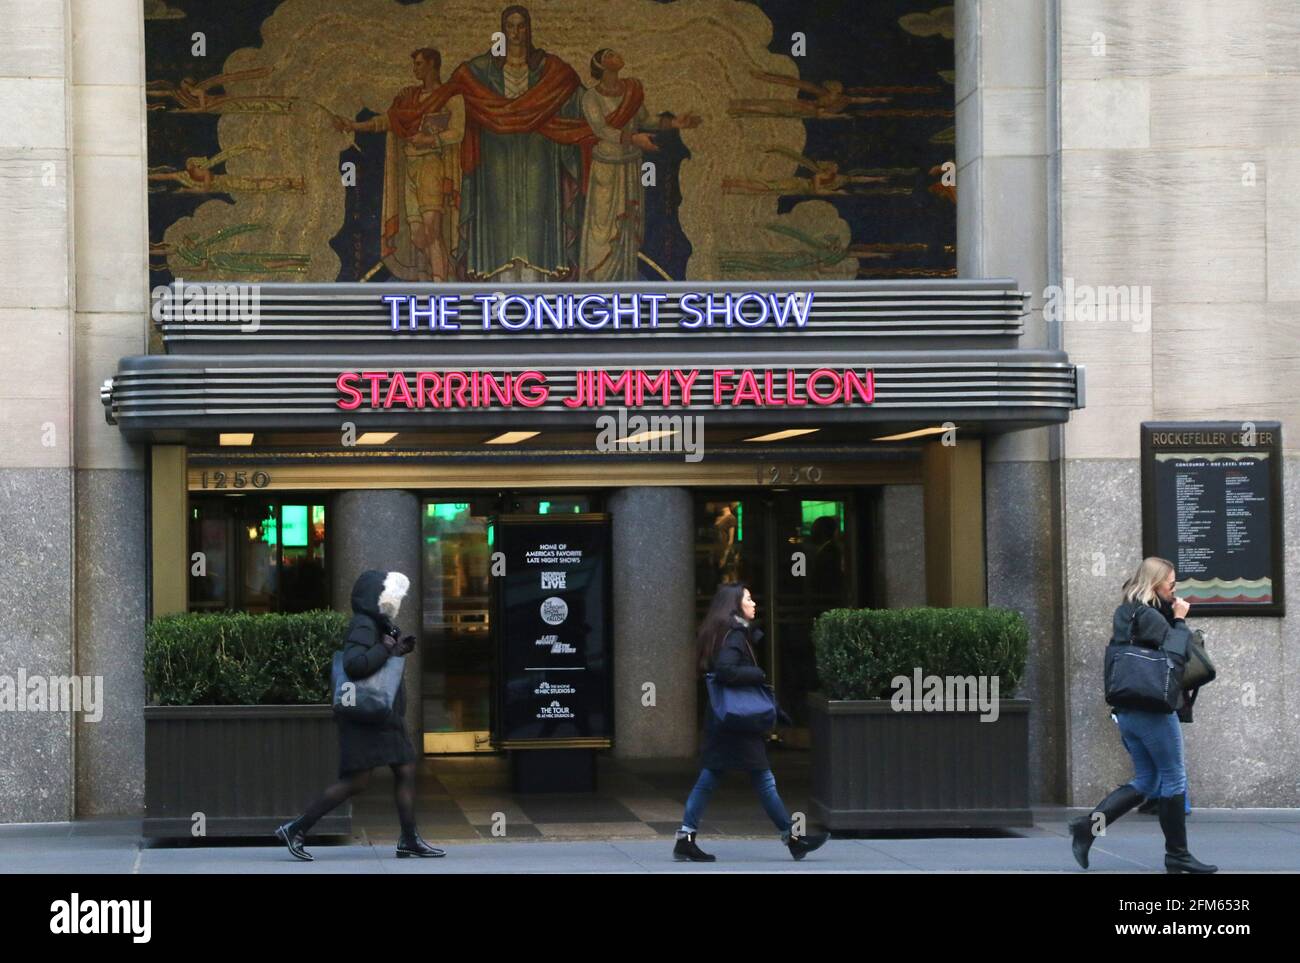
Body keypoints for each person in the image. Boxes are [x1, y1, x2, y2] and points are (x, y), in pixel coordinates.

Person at [275, 569, 444, 860]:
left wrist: (398, 650)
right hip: (366, 718)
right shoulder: (363, 625)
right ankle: (297, 830)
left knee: (404, 769)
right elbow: (354, 665)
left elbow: (378, 660)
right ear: (372, 598)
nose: (392, 601)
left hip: (382, 716)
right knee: (356, 781)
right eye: (386, 595)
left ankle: (409, 839)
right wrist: (384, 649)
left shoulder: (378, 623)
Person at [1069, 557, 1216, 874]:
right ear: (1155, 584)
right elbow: (1178, 656)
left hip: (1128, 712)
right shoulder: (1152, 617)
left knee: (1147, 781)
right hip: (1153, 712)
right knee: (1174, 778)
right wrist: (1178, 619)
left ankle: (1087, 828)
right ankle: (1177, 855)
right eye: (1171, 583)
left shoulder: (1126, 613)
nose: (1174, 589)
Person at [674, 582, 829, 862]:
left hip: (725, 720)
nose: (754, 603)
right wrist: (756, 673)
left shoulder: (725, 632)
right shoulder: (734, 635)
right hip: (736, 725)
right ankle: (792, 838)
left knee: (711, 778)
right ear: (735, 605)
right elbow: (725, 671)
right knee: (762, 779)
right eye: (748, 598)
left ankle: (685, 838)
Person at [334, 48, 465, 281]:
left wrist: (431, 139)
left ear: (433, 65)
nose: (415, 69)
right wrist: (354, 126)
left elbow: (457, 131)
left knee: (432, 230)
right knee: (417, 235)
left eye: (419, 64)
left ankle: (439, 287)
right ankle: (441, 275)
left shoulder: (451, 96)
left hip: (432, 166)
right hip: (411, 167)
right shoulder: (409, 99)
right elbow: (387, 122)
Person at [578, 48, 700, 281]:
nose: (617, 55)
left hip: (630, 166)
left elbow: (645, 120)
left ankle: (623, 278)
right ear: (601, 65)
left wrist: (675, 122)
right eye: (610, 55)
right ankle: (598, 279)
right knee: (604, 226)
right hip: (606, 168)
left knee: (628, 224)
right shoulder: (591, 98)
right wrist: (633, 139)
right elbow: (601, 129)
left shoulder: (631, 91)